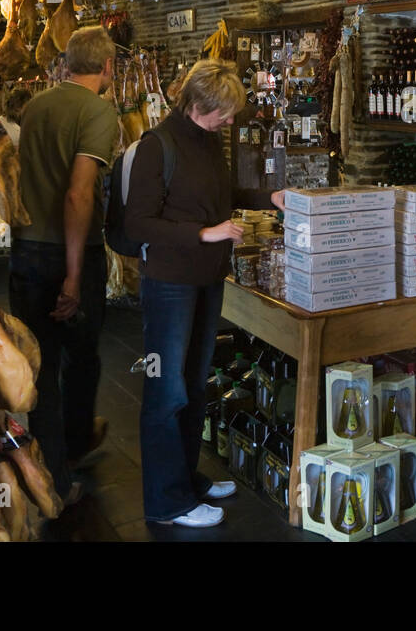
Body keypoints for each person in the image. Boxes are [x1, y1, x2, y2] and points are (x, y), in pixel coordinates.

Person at [125, 59, 285, 528]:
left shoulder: (208, 140)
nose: (231, 120)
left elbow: (219, 193)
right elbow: (139, 224)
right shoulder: (157, 146)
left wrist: (265, 198)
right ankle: (167, 502)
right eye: (224, 112)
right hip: (170, 284)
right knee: (166, 391)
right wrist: (204, 234)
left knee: (194, 386)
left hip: (206, 280)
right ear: (197, 105)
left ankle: (187, 482)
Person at [10, 27, 119, 507]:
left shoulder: (35, 106)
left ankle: (52, 463)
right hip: (71, 251)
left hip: (26, 250)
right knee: (83, 353)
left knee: (40, 361)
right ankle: (64, 465)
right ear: (108, 67)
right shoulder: (98, 111)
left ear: (65, 63)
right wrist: (74, 274)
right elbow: (78, 194)